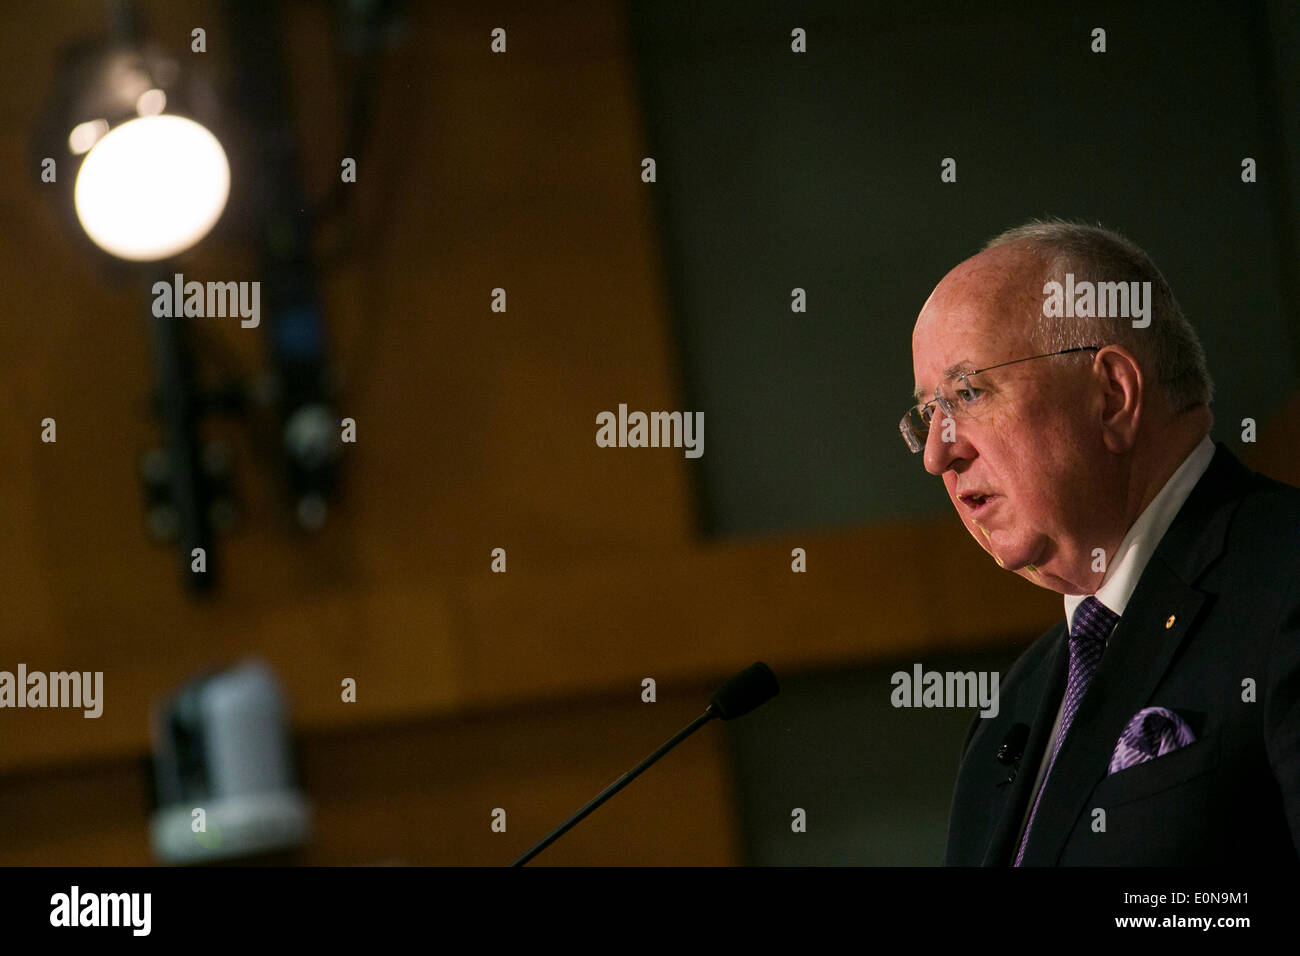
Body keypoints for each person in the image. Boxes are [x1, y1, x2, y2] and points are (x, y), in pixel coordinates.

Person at [903, 220, 1300, 865]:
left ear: (1111, 396)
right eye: (927, 414)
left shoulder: (1284, 580)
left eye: (968, 394)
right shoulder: (1012, 707)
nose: (937, 453)